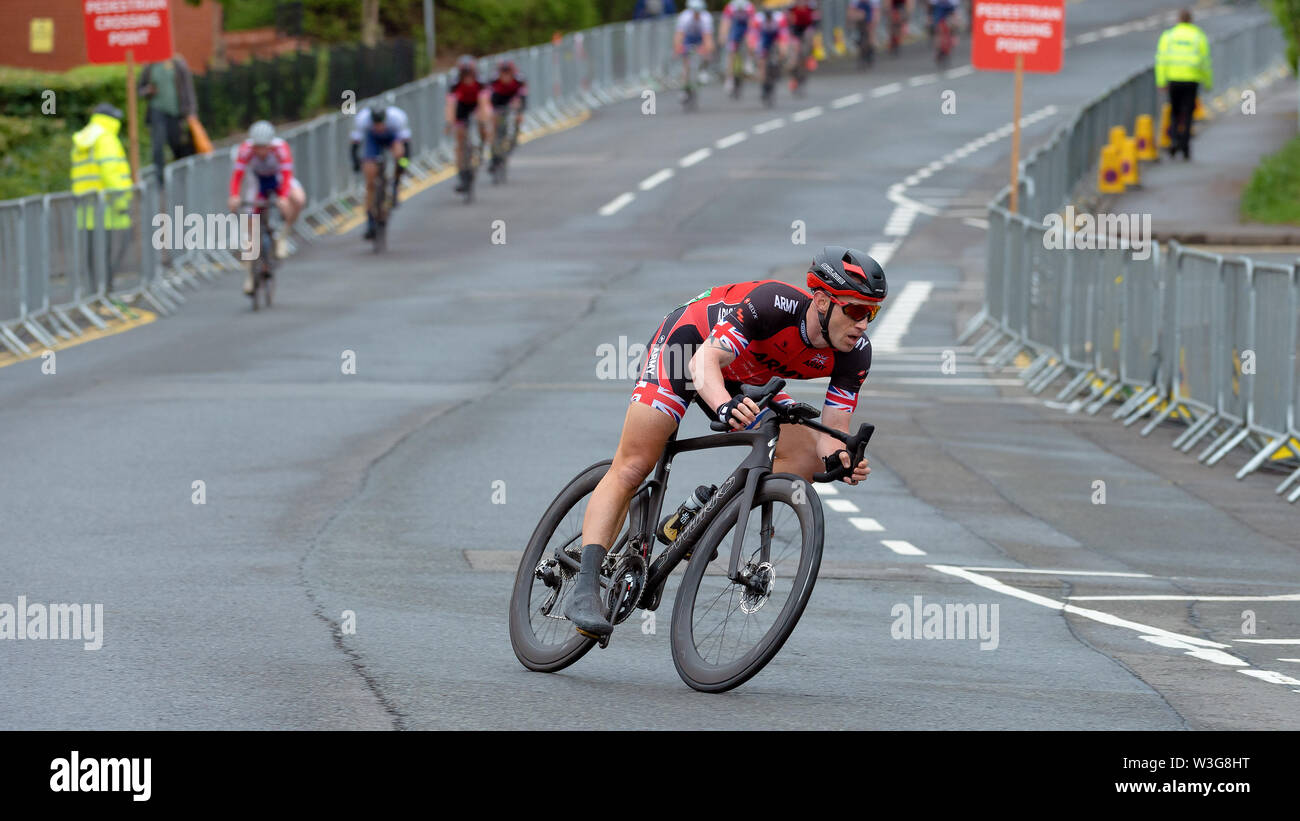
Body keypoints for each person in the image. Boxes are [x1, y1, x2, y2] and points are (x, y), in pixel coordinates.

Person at [563, 246, 886, 639]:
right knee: (634, 465)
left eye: (872, 313)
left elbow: (832, 428)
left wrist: (841, 458)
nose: (863, 324)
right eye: (854, 310)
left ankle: (698, 520)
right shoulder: (773, 304)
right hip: (688, 349)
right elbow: (703, 363)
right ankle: (584, 587)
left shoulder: (856, 354)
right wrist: (722, 406)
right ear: (821, 301)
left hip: (748, 375)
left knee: (805, 459)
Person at [228, 121, 307, 290]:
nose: (261, 151)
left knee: (298, 199)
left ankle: (283, 236)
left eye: (264, 147)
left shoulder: (281, 149)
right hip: (257, 182)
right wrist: (234, 196)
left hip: (278, 180)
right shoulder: (245, 150)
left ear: (271, 144)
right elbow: (237, 176)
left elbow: (287, 175)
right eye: (258, 147)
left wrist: (284, 197)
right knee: (251, 229)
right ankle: (249, 276)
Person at [70, 103, 133, 303]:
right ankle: (105, 292)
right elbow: (110, 172)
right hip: (107, 206)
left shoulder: (83, 138)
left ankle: (95, 294)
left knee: (92, 254)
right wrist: (121, 201)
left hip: (86, 208)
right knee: (106, 252)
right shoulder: (106, 138)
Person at [1156, 9, 1212, 161]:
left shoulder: (1169, 36)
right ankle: (1185, 146)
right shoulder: (1198, 36)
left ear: (1178, 20)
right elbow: (1205, 62)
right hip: (1191, 80)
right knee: (1188, 114)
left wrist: (1161, 81)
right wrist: (1208, 82)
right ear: (1191, 20)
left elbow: (1161, 60)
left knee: (1174, 112)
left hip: (1173, 79)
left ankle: (1174, 140)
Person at [351, 104, 412, 236]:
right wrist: (356, 162)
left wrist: (403, 164)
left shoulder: (397, 118)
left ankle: (395, 185)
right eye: (376, 124)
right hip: (373, 140)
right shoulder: (362, 120)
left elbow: (406, 146)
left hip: (391, 137)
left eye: (381, 123)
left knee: (399, 154)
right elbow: (355, 144)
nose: (379, 127)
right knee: (370, 182)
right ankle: (370, 221)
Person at [138, 54, 197, 182]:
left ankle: (180, 178)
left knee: (177, 144)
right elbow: (140, 89)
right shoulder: (150, 65)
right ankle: (160, 182)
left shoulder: (177, 62)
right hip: (157, 112)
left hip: (175, 113)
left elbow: (188, 88)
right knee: (158, 146)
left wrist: (191, 111)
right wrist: (148, 91)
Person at [444, 56, 493, 194]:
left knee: (483, 124)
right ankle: (461, 173)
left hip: (476, 106)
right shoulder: (455, 84)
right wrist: (449, 122)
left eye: (469, 74)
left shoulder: (481, 82)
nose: (467, 78)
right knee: (460, 140)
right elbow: (450, 105)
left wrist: (484, 121)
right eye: (464, 75)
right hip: (462, 108)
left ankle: (482, 146)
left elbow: (485, 102)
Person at [487, 60, 528, 175]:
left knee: (516, 119)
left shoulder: (519, 80)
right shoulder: (493, 80)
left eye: (508, 73)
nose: (505, 76)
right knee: (495, 128)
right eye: (503, 73)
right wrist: (491, 114)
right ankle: (495, 158)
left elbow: (523, 98)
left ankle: (513, 137)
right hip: (497, 101)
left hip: (512, 100)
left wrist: (520, 114)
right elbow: (487, 100)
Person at [674, 0, 715, 102]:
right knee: (686, 64)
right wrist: (677, 48)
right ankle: (683, 89)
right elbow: (679, 35)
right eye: (694, 12)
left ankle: (703, 69)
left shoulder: (706, 18)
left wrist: (707, 49)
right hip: (688, 37)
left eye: (698, 12)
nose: (696, 14)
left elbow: (708, 38)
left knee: (707, 53)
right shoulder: (684, 17)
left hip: (700, 37)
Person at [720, 1, 756, 95]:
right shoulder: (730, 7)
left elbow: (752, 25)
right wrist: (723, 36)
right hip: (735, 28)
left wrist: (751, 38)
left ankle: (749, 61)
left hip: (746, 27)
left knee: (750, 41)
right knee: (731, 52)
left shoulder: (749, 7)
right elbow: (725, 23)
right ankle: (729, 78)